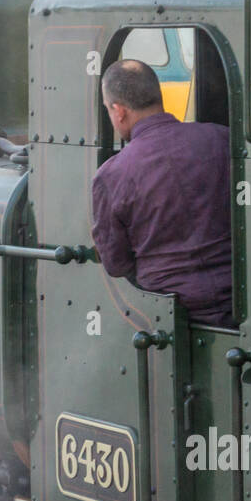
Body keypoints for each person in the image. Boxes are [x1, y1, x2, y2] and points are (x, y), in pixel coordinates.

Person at [90, 59, 234, 327]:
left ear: (119, 111)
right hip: (239, 297)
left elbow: (116, 264)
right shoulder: (221, 139)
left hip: (168, 313)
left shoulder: (111, 174)